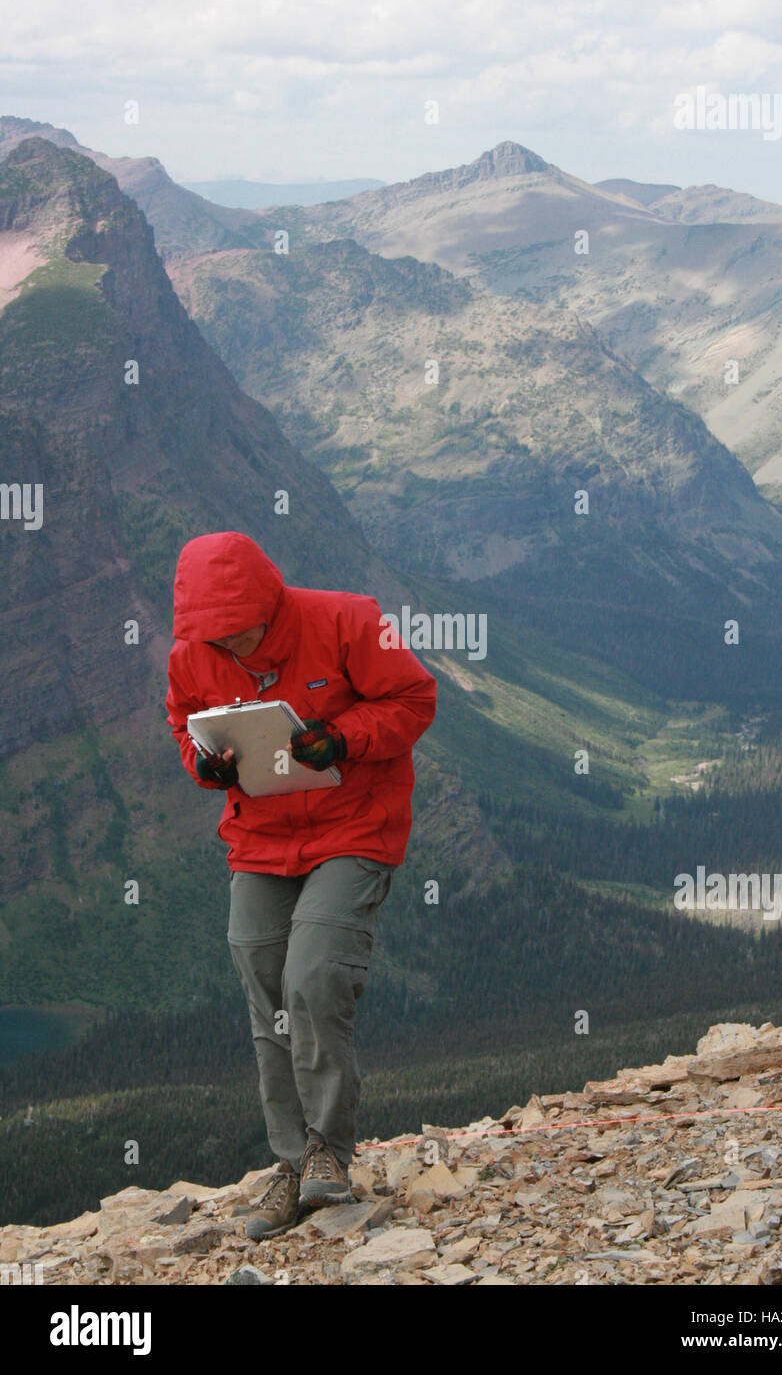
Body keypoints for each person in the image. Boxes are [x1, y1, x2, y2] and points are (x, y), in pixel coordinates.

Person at [165, 531, 436, 1239]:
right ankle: (290, 1164)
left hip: (354, 826)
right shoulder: (194, 651)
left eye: (242, 633)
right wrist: (207, 766)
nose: (232, 648)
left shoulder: (346, 619)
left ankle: (328, 1151)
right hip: (260, 836)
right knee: (261, 971)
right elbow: (182, 721)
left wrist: (341, 738)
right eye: (217, 639)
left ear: (270, 603)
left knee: (314, 977)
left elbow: (413, 698)